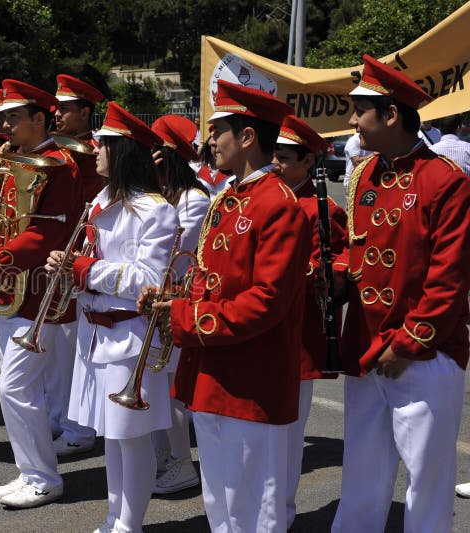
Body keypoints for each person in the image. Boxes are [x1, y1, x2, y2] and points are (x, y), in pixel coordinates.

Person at [148, 80, 308, 532]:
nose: (208, 141)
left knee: (254, 504)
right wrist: (174, 300)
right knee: (220, 500)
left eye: (217, 131)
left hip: (251, 378)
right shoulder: (228, 198)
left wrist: (183, 316)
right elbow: (207, 279)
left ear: (247, 137)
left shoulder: (278, 205)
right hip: (213, 370)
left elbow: (265, 303)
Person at [332, 54, 470, 533]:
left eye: (359, 110)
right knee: (361, 479)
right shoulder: (364, 175)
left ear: (391, 115)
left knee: (426, 487)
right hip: (367, 350)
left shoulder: (444, 181)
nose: (351, 121)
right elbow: (358, 253)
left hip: (422, 355)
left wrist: (408, 344)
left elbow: (448, 280)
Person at [47, 101, 179, 533]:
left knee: (132, 438)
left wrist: (84, 271)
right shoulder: (100, 202)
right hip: (98, 333)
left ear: (122, 153)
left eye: (103, 146)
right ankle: (114, 518)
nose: (96, 153)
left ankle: (130, 525)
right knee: (113, 440)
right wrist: (65, 270)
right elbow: (89, 262)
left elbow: (149, 277)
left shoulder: (155, 209)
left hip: (133, 335)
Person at [0, 79, 81, 509]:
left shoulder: (58, 165)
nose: (4, 123)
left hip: (39, 294)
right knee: (17, 391)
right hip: (9, 291)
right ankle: (30, 471)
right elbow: (0, 224)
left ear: (39, 118)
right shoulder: (14, 160)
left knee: (15, 389)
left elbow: (46, 235)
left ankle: (43, 477)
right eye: (2, 116)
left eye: (13, 116)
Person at [271, 114, 347, 529]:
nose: (276, 164)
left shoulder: (324, 207)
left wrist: (322, 272)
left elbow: (340, 260)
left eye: (284, 157)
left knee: (288, 430)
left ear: (306, 163)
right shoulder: (265, 197)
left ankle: (281, 511)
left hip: (299, 332)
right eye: (274, 156)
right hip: (262, 328)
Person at [149, 114, 209, 495]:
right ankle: (165, 460)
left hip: (178, 298)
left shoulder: (194, 198)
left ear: (167, 155)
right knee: (157, 386)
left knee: (171, 390)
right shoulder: (166, 193)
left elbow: (175, 251)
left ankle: (182, 463)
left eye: (152, 150)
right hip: (158, 299)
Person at [48, 73, 106, 458]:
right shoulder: (59, 148)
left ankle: (80, 428)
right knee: (57, 346)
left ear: (85, 111)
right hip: (58, 254)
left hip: (84, 255)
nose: (57, 113)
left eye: (66, 108)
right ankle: (59, 416)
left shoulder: (94, 150)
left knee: (75, 347)